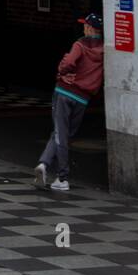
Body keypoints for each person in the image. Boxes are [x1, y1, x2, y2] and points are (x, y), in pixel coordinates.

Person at [34, 13, 106, 193]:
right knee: (64, 133)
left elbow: (68, 63)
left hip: (65, 91)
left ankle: (61, 176)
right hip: (83, 98)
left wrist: (62, 72)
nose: (83, 28)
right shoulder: (105, 49)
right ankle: (44, 164)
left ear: (89, 28)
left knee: (60, 134)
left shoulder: (79, 44)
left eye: (85, 25)